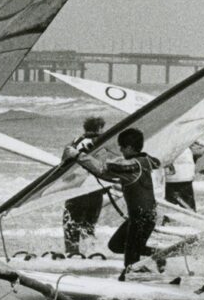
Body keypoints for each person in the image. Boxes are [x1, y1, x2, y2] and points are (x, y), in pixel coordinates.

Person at [64, 127, 160, 280]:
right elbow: (121, 174)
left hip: (141, 218)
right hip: (145, 216)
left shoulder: (132, 166)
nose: (120, 150)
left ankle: (137, 281)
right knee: (115, 246)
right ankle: (157, 255)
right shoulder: (147, 160)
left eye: (122, 147)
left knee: (130, 264)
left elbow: (102, 169)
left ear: (129, 147)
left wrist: (78, 155)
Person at [62, 116, 108, 255]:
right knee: (89, 227)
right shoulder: (104, 142)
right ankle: (92, 254)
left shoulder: (74, 143)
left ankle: (72, 254)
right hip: (95, 190)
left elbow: (63, 165)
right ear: (100, 128)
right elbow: (104, 168)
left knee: (71, 226)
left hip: (76, 190)